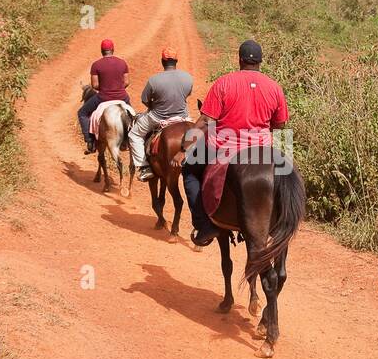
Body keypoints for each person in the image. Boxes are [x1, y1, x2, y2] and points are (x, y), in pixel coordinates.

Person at [172, 39, 288, 247]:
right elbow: (280, 124)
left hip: (225, 147)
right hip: (261, 148)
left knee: (190, 169)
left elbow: (206, 120)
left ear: (240, 59)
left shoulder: (224, 83)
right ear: (261, 62)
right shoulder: (274, 87)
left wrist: (183, 149)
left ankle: (204, 224)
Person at [130, 48, 194, 181]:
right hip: (183, 116)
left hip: (158, 117)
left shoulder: (154, 80)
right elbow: (187, 94)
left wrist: (154, 106)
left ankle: (144, 167)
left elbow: (144, 100)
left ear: (162, 61)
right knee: (200, 133)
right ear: (176, 61)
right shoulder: (188, 77)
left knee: (134, 134)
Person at [78, 38, 130, 154]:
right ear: (113, 49)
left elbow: (95, 85)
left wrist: (106, 88)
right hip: (122, 96)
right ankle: (130, 138)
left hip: (103, 97)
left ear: (102, 51)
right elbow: (127, 82)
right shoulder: (122, 63)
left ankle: (90, 141)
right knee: (131, 114)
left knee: (82, 113)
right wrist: (118, 88)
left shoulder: (96, 65)